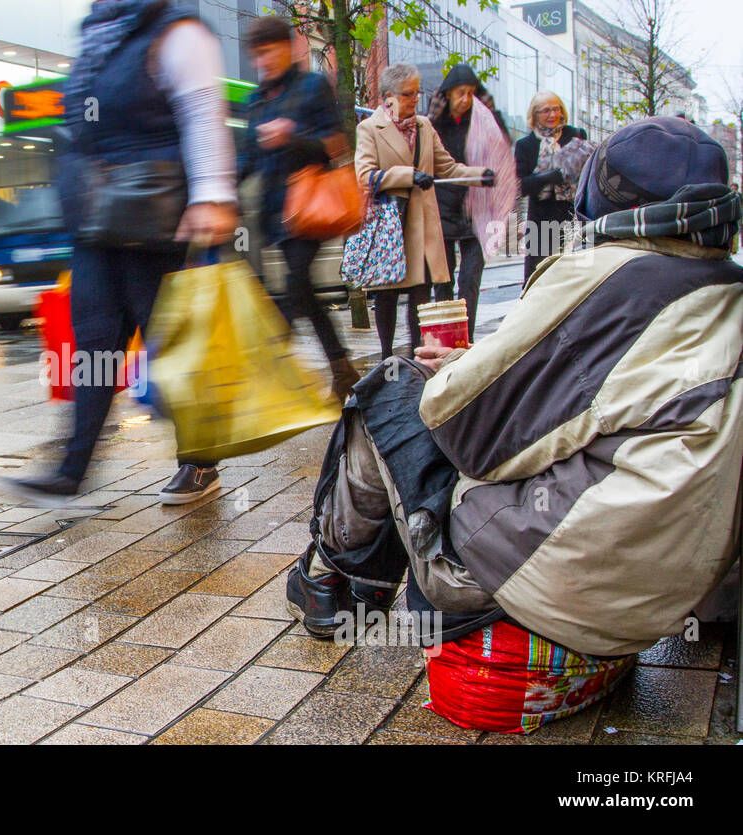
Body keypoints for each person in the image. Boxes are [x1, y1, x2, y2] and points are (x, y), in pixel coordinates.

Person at [287, 116, 743, 664]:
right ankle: (359, 583)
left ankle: (331, 577)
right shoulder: (725, 286)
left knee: (390, 386)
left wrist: (453, 372)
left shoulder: (608, 279)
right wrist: (479, 362)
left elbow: (470, 434)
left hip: (552, 589)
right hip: (664, 594)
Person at [0, 0, 238, 506]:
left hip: (152, 212)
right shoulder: (95, 33)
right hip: (97, 214)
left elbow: (202, 114)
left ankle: (200, 458)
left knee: (166, 344)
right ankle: (72, 470)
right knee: (93, 343)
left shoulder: (176, 30)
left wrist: (213, 195)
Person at [238, 15, 358, 403]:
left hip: (310, 209)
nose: (264, 61)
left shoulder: (312, 87)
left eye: (268, 51)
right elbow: (248, 159)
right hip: (274, 215)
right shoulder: (255, 100)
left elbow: (334, 146)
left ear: (287, 48)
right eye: (257, 55)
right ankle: (343, 369)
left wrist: (293, 137)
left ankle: (268, 369)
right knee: (304, 292)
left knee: (292, 287)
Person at [354, 63, 494, 359]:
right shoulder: (369, 128)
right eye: (408, 94)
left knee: (421, 294)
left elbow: (447, 167)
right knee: (388, 294)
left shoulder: (424, 126)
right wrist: (408, 175)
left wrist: (481, 175)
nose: (415, 99)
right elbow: (365, 175)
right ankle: (386, 357)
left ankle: (418, 359)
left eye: (417, 92)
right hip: (392, 225)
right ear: (388, 96)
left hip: (423, 225)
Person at [428, 63, 510, 336]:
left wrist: (493, 113)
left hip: (477, 209)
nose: (466, 99)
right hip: (442, 207)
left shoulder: (484, 120)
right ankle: (444, 337)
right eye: (461, 92)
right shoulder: (433, 122)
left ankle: (465, 337)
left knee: (470, 279)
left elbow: (502, 152)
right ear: (448, 93)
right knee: (442, 278)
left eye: (471, 93)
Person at [515, 91, 588, 279]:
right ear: (535, 114)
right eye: (546, 110)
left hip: (572, 217)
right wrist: (546, 177)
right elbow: (520, 185)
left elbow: (587, 172)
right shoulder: (526, 145)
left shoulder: (576, 136)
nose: (553, 115)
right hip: (541, 220)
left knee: (575, 277)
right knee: (538, 278)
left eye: (556, 109)